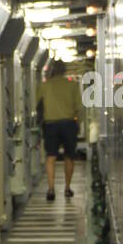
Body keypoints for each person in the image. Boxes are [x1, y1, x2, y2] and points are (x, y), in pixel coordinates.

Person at [36, 59, 84, 201]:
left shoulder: (45, 86)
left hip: (50, 124)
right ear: (64, 71)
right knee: (69, 156)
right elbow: (79, 108)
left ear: (51, 71)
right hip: (69, 124)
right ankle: (67, 188)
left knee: (51, 157)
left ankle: (51, 189)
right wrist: (78, 124)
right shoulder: (73, 86)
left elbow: (36, 103)